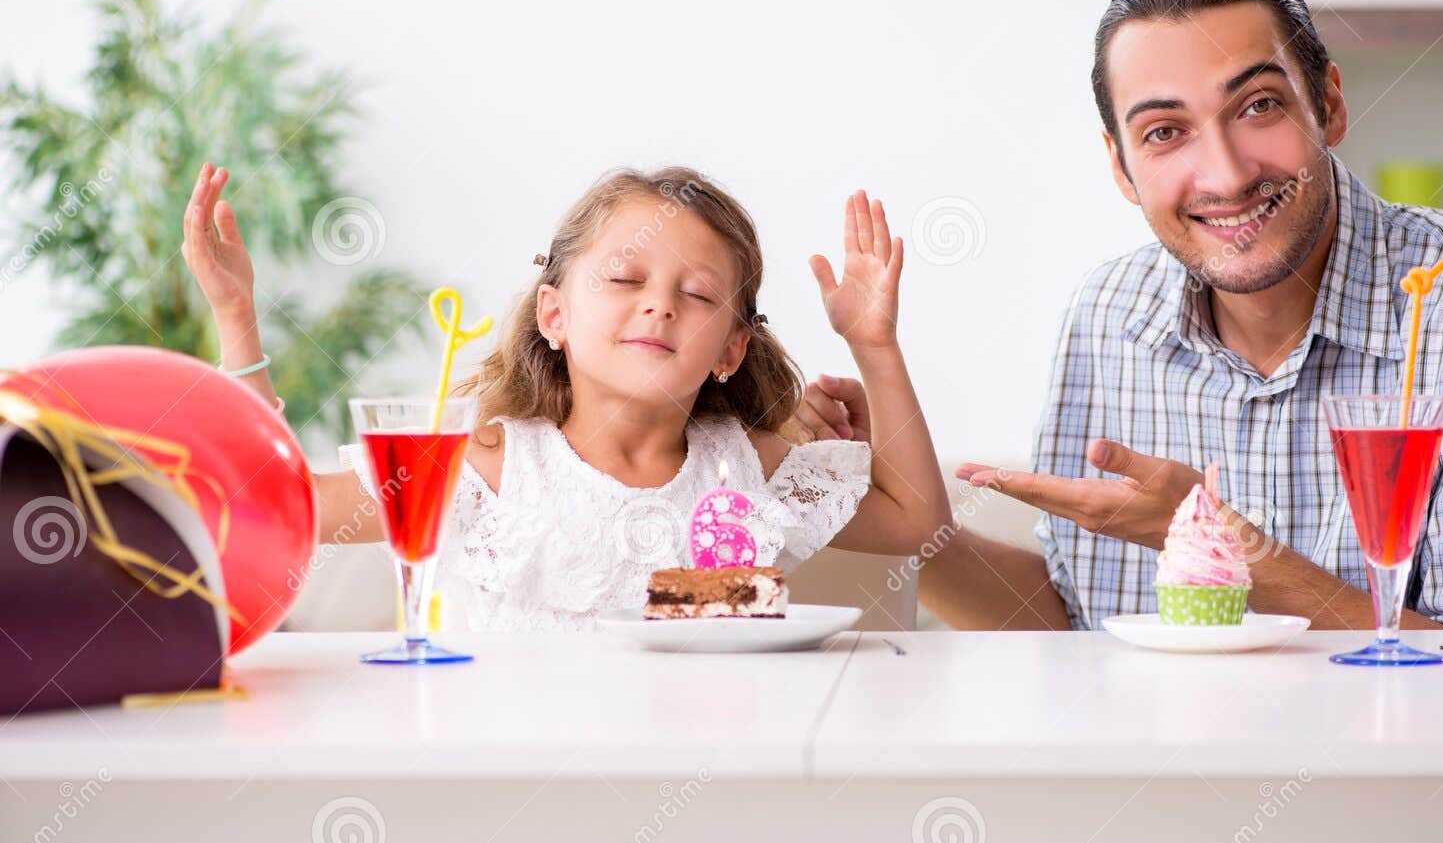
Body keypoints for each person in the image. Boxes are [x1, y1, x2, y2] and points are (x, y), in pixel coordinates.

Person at [788, 0, 1443, 631]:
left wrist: (1222, 545)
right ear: (1120, 167)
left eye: (1257, 106)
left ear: (1330, 103)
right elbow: (1074, 625)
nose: (1225, 172)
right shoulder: (1109, 316)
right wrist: (897, 516)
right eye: (1166, 132)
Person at [181, 163, 950, 630]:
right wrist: (237, 320)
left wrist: (873, 346)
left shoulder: (751, 467)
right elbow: (279, 504)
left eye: (697, 293)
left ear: (731, 350)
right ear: (555, 314)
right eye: (623, 280)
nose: (659, 305)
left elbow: (919, 524)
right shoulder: (482, 469)